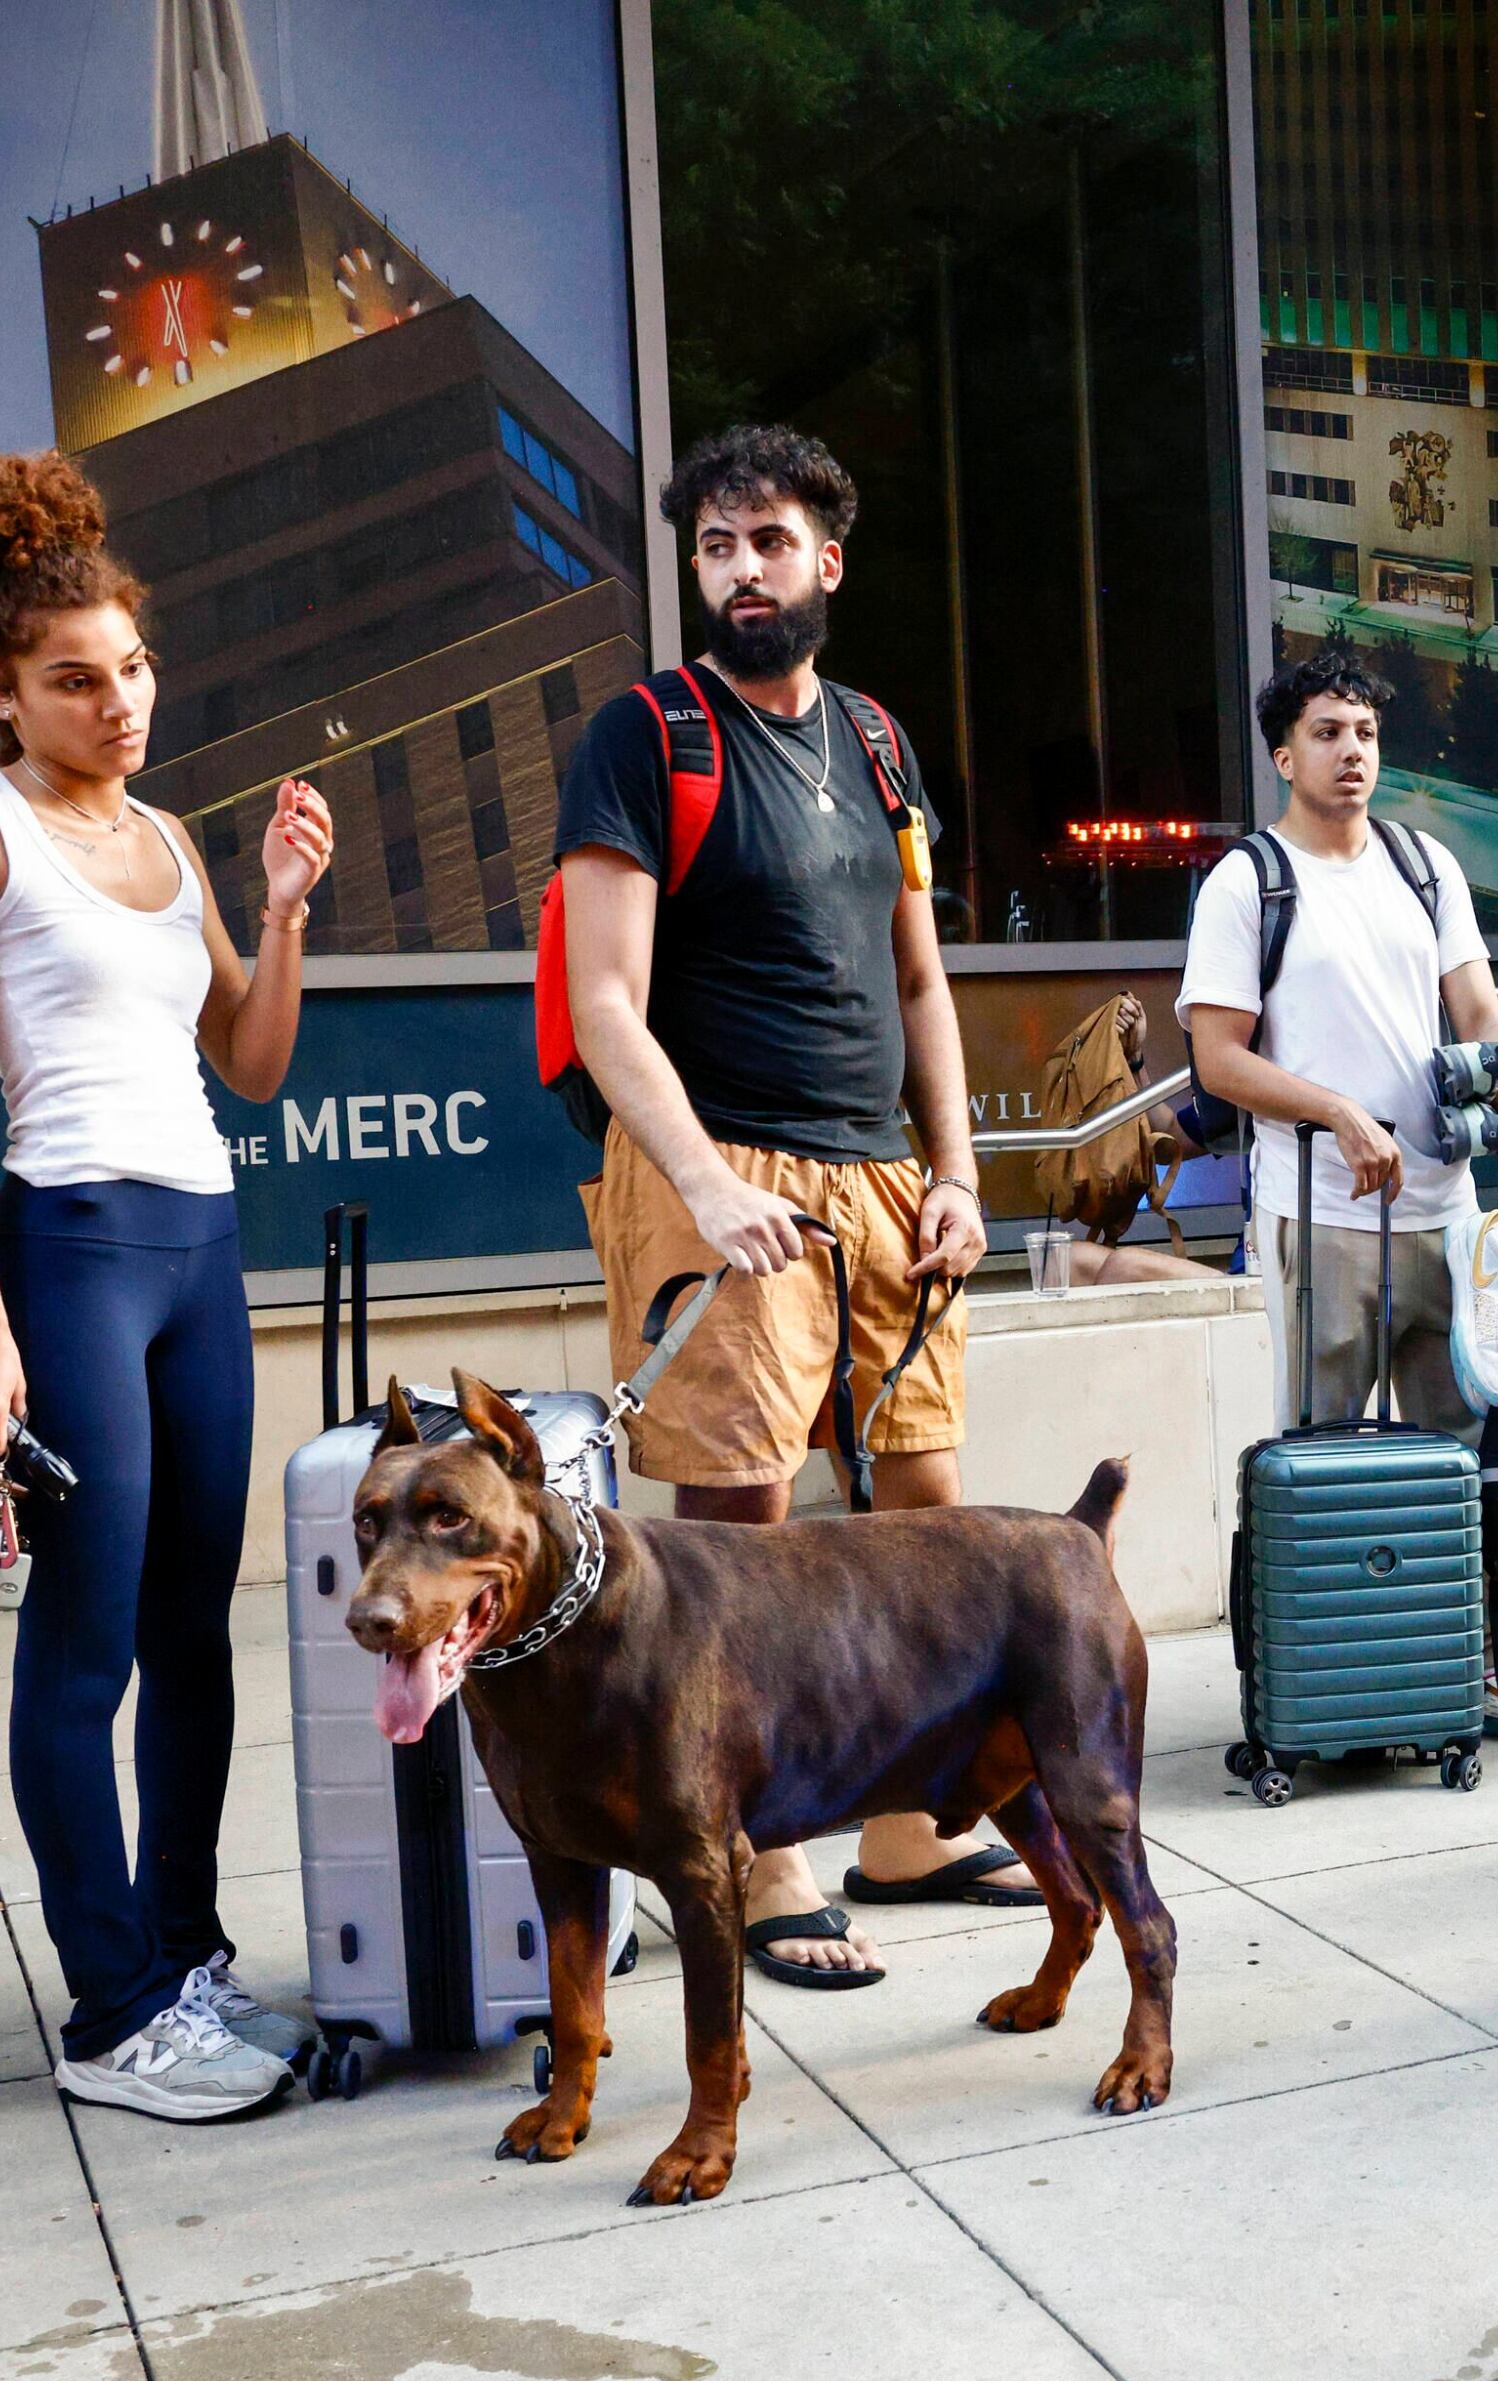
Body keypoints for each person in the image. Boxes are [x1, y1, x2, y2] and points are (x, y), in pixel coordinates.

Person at [0, 451, 338, 2119]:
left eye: (135, 666)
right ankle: (111, 2012)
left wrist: (284, 910)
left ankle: (184, 1950)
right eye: (77, 679)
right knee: (83, 1642)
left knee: (193, 1634)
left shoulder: (169, 836)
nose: (122, 699)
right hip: (69, 1243)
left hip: (201, 1242)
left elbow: (253, 1056)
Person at [552, 423, 1008, 1990]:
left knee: (926, 1524)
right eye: (714, 548)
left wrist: (956, 1175)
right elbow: (609, 1004)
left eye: (769, 541)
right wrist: (702, 1184)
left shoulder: (877, 740)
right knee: (732, 1536)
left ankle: (910, 1822)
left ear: (829, 556)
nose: (740, 571)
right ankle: (756, 1851)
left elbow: (923, 981)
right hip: (719, 1164)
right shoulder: (645, 735)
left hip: (880, 1175)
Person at [1176, 652, 1498, 1747]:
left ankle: (1472, 1680)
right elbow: (1217, 1057)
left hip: (1446, 1220)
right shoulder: (1246, 882)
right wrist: (1338, 1112)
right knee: (1319, 1460)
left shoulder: (1424, 865)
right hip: (1322, 1224)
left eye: (1362, 732)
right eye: (1325, 732)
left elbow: (1483, 1021)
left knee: (1459, 1468)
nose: (1350, 751)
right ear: (1282, 753)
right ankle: (1312, 1697)